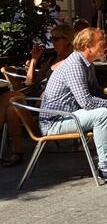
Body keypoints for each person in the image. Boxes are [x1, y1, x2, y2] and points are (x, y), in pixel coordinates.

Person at [39, 28, 107, 183]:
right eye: (102, 44)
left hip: (70, 115)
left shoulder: (87, 64)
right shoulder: (75, 65)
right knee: (102, 113)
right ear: (87, 46)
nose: (106, 47)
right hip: (56, 121)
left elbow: (96, 91)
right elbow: (87, 102)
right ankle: (106, 167)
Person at [0, 25, 74, 167]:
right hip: (34, 98)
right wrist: (34, 60)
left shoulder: (73, 60)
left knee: (8, 100)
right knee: (11, 107)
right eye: (52, 38)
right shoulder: (53, 58)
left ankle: (17, 153)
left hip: (49, 103)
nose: (53, 42)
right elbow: (30, 82)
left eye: (56, 39)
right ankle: (17, 153)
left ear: (68, 40)